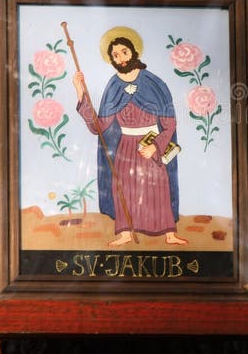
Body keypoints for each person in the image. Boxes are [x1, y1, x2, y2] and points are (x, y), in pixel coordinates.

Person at [73, 30, 188, 248]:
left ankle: (169, 233)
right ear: (112, 60)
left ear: (133, 51)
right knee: (124, 188)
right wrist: (80, 93)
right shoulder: (113, 86)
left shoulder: (154, 83)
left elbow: (170, 123)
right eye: (115, 55)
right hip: (125, 147)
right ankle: (125, 232)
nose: (121, 57)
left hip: (151, 145)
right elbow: (99, 127)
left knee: (158, 187)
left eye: (124, 52)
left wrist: (155, 147)